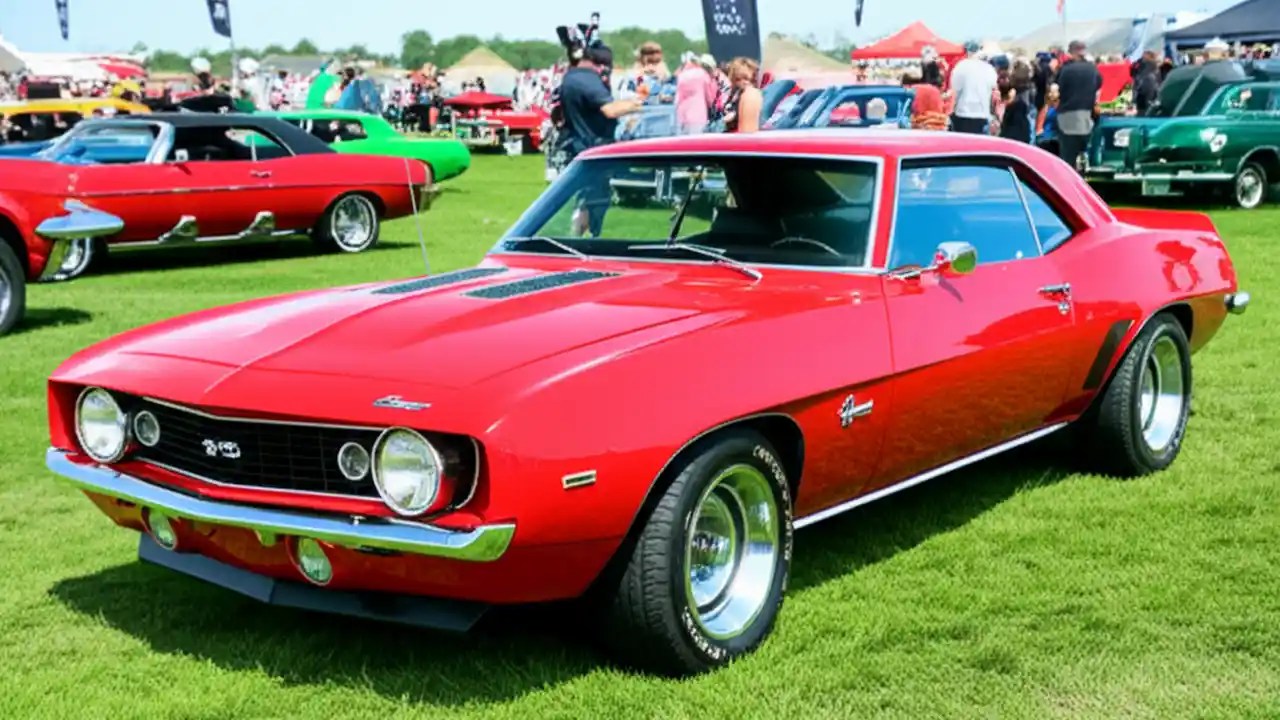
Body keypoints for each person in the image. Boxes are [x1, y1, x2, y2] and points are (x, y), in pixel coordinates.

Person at [1055, 39, 1102, 170]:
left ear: (1071, 52)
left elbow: (1056, 88)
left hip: (1067, 117)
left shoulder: (1065, 69)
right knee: (1087, 152)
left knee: (1067, 159)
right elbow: (1098, 86)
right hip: (1087, 116)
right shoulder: (1093, 69)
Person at [949, 41, 997, 134]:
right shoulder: (989, 69)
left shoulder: (960, 66)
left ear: (967, 51)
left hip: (963, 113)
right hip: (983, 114)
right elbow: (993, 89)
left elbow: (955, 89)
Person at [674, 52, 716, 134]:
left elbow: (678, 98)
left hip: (682, 115)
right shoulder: (703, 74)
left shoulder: (681, 76)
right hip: (699, 115)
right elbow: (709, 98)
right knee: (697, 143)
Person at [722, 57, 763, 133]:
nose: (743, 82)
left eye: (746, 78)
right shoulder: (736, 93)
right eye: (738, 79)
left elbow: (747, 132)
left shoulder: (750, 95)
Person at [1131, 51, 1160, 115]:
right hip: (1147, 94)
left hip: (1145, 92)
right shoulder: (1152, 67)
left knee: (1143, 110)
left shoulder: (1147, 66)